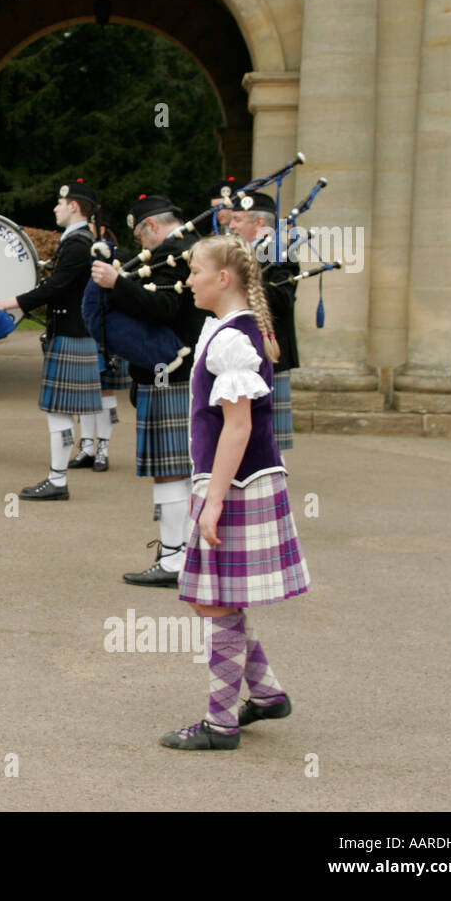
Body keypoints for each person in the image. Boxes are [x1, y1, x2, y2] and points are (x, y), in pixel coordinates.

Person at [158, 234, 310, 750]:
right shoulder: (228, 331)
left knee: (213, 602)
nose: (188, 280)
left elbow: (238, 428)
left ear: (223, 278)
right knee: (216, 600)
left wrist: (215, 499)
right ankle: (266, 695)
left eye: (196, 271)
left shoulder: (231, 340)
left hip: (238, 484)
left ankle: (221, 724)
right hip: (235, 479)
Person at [91, 194, 205, 585]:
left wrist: (116, 284)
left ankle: (174, 560)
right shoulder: (198, 245)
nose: (142, 245)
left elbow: (163, 309)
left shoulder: (174, 252)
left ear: (152, 226)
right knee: (187, 470)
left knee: (169, 471)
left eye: (141, 236)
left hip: (170, 371)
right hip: (191, 369)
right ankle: (189, 553)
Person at [0, 178, 102, 499]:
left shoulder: (78, 244)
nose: (55, 208)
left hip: (72, 335)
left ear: (73, 206)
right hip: (73, 333)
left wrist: (4, 303)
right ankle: (57, 477)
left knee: (58, 411)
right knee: (59, 411)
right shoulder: (79, 241)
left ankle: (58, 480)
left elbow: (55, 288)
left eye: (59, 204)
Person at [227, 191, 299, 451]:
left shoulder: (281, 251)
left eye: (237, 219)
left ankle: (274, 487)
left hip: (270, 353)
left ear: (258, 224)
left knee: (269, 438)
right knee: (238, 431)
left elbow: (282, 299)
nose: (231, 226)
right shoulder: (235, 253)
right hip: (237, 350)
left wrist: (246, 281)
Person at [85, 204, 127, 465]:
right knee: (86, 392)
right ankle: (87, 446)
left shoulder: (120, 255)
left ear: (101, 228)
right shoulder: (83, 253)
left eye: (91, 225)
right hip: (87, 329)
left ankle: (103, 448)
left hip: (107, 330)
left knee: (105, 392)